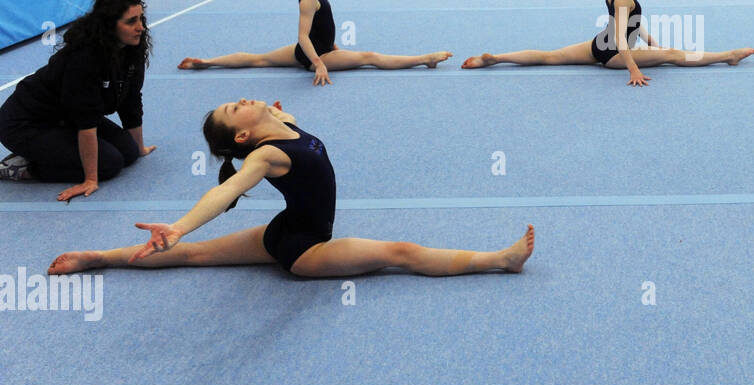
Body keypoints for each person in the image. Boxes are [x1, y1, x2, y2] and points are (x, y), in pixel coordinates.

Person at [47, 99, 535, 279]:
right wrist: (176, 226)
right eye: (234, 110)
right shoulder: (265, 154)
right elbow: (225, 192)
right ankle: (499, 260)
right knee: (399, 252)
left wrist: (277, 113)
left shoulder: (280, 123)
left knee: (195, 258)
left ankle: (98, 258)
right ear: (243, 136)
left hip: (281, 229)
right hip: (304, 248)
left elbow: (290, 123)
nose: (242, 100)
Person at [461, 0, 754, 86]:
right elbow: (623, 40)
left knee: (550, 57)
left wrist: (650, 41)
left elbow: (627, 26)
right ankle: (728, 56)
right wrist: (633, 71)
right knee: (675, 55)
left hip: (599, 44)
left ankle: (496, 58)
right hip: (615, 52)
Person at [177, 0, 451, 85]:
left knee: (257, 58)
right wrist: (320, 63)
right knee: (370, 57)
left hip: (311, 51)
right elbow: (303, 36)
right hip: (313, 54)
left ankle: (207, 62)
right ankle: (424, 59)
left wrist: (330, 45)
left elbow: (322, 28)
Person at [0, 0, 156, 199]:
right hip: (25, 123)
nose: (141, 27)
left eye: (141, 19)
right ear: (110, 26)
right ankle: (20, 167)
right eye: (131, 22)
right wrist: (90, 179)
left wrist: (140, 148)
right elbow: (87, 122)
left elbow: (131, 100)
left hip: (66, 117)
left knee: (129, 152)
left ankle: (48, 152)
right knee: (108, 165)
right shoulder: (84, 59)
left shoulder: (131, 48)